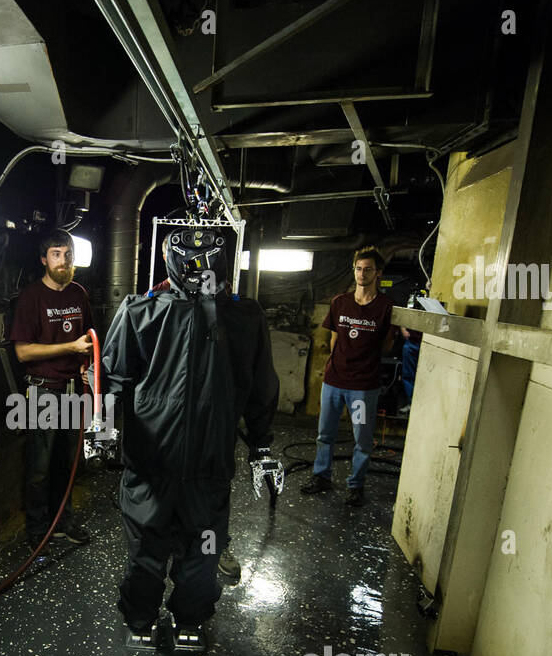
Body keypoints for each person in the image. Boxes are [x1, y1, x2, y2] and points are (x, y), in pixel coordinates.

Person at [102, 227, 239, 654]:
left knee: (203, 548)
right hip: (152, 460)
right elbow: (115, 377)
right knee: (146, 547)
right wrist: (103, 423)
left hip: (208, 463)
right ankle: (141, 618)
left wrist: (265, 445)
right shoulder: (141, 311)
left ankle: (190, 620)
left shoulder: (240, 316)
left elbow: (254, 384)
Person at [147, 243, 279, 582]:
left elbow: (255, 372)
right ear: (169, 258)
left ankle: (216, 547)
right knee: (165, 497)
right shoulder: (152, 301)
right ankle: (161, 559)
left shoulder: (233, 305)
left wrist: (259, 442)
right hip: (168, 424)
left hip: (216, 417)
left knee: (213, 492)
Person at [9, 230, 94, 549]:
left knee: (68, 463)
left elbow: (87, 343)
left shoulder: (79, 294)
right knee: (39, 467)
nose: (64, 260)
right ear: (44, 260)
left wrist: (85, 363)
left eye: (68, 253)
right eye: (56, 254)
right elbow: (23, 352)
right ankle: (36, 527)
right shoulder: (32, 297)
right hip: (43, 391)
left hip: (73, 389)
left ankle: (63, 522)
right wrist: (68, 347)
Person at [301, 246, 395, 506]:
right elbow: (333, 340)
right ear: (354, 271)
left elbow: (387, 345)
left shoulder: (386, 307)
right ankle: (321, 477)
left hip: (363, 387)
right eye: (358, 269)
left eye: (368, 269)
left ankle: (356, 485)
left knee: (362, 439)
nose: (362, 274)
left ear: (378, 273)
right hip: (334, 383)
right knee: (325, 434)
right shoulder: (339, 302)